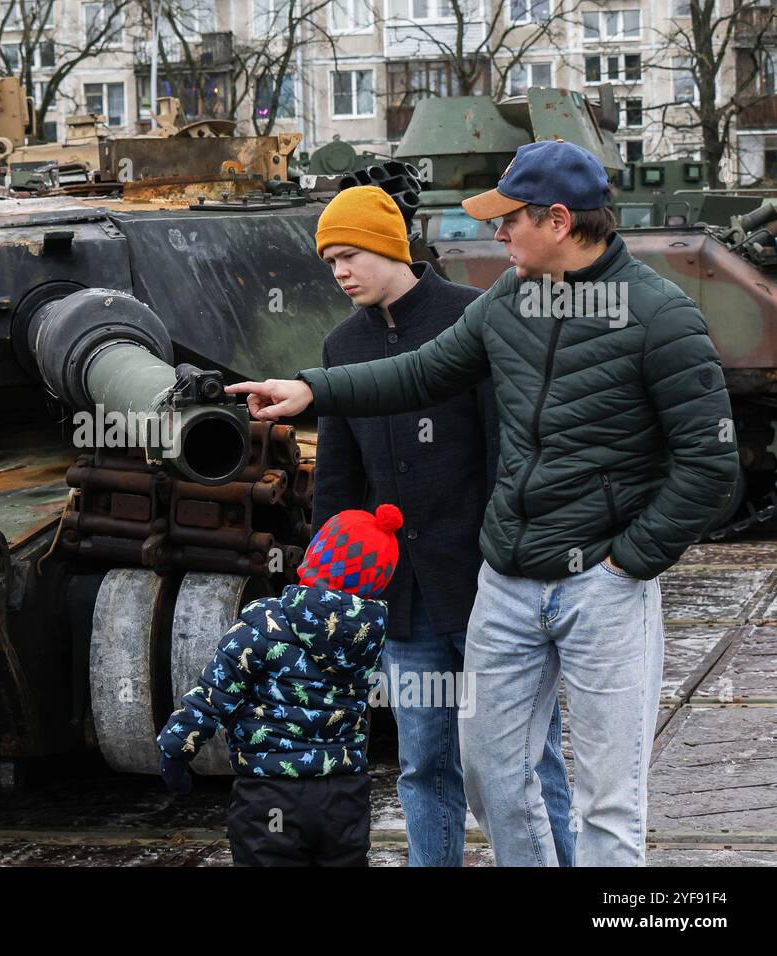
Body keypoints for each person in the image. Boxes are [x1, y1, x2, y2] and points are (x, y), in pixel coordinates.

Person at [225, 140, 740, 866]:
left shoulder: (661, 317)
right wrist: (315, 389)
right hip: (503, 584)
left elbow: (711, 465)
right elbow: (421, 372)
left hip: (603, 591)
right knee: (491, 775)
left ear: (558, 221)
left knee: (607, 801)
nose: (495, 234)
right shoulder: (507, 302)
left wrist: (627, 562)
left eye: (508, 220)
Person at [310, 184, 573, 867]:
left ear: (389, 246)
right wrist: (331, 593)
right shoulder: (341, 347)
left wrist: (509, 565)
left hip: (491, 588)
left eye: (349, 254)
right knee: (424, 763)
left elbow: (505, 452)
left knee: (527, 759)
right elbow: (337, 482)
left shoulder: (472, 319)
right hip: (405, 602)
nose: (339, 271)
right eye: (329, 260)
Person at [157, 505, 402, 865]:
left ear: (316, 557)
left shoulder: (265, 619)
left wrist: (177, 748)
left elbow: (216, 692)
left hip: (270, 793)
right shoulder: (370, 639)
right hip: (343, 797)